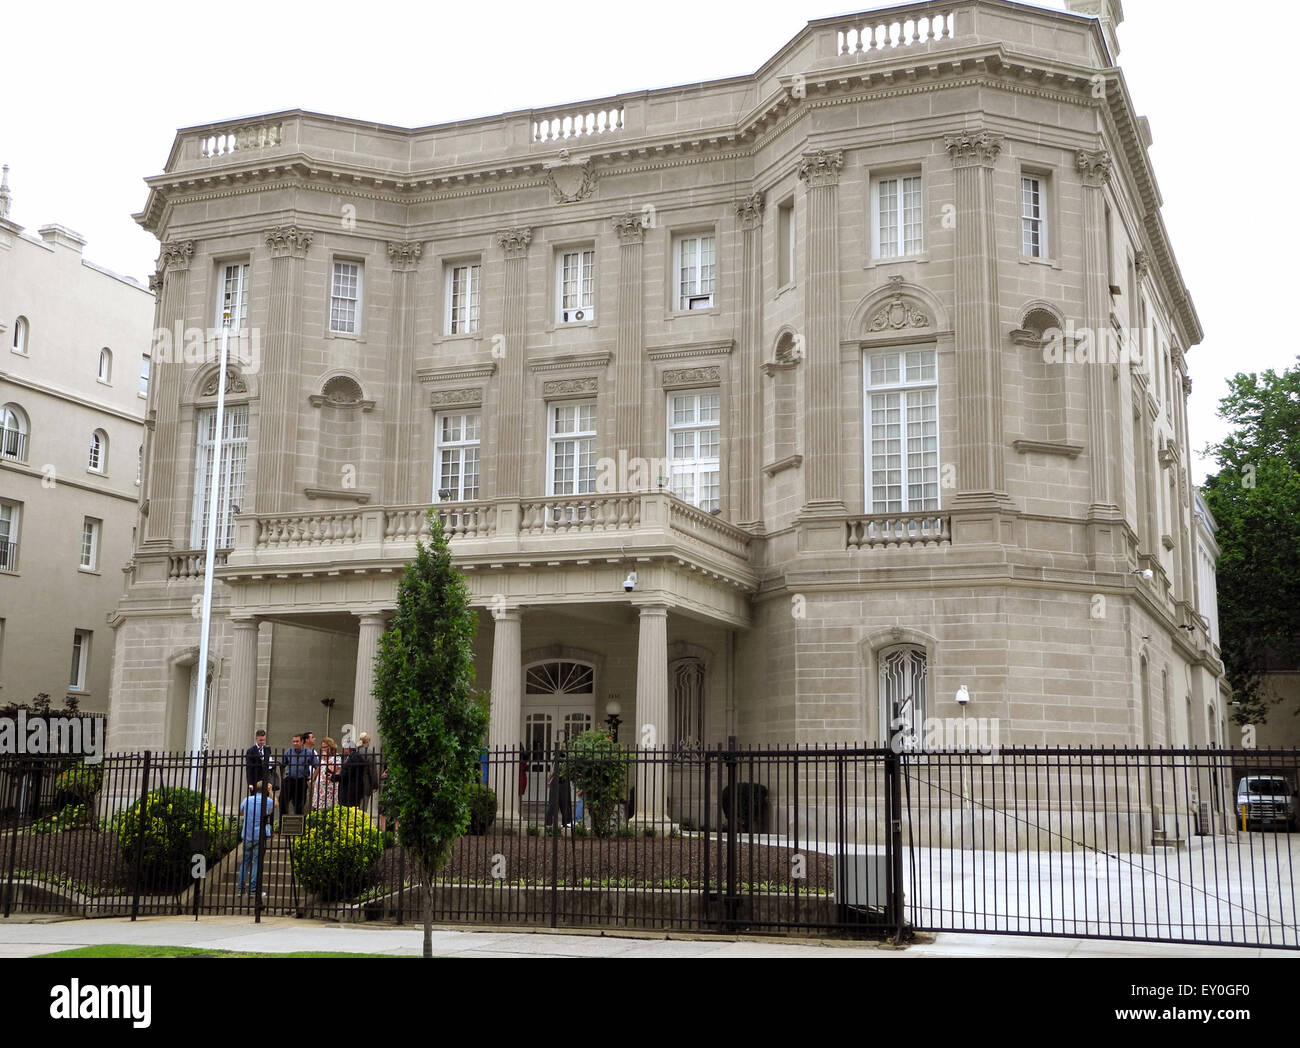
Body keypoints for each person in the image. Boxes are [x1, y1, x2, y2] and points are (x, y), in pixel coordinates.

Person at [237, 781, 275, 899]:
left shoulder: (247, 800)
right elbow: (276, 804)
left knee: (245, 862)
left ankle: (241, 889)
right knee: (257, 862)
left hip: (247, 835)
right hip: (259, 835)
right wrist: (271, 792)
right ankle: (253, 890)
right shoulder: (266, 801)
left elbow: (241, 812)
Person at [280, 734, 317, 818]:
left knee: (299, 804)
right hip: (290, 779)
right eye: (293, 741)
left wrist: (312, 779)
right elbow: (282, 765)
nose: (295, 743)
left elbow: (317, 766)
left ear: (302, 742)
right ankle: (282, 822)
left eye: (297, 741)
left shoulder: (308, 752)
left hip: (301, 780)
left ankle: (298, 824)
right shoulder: (288, 751)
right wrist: (283, 777)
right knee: (283, 800)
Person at [313, 737, 341, 811]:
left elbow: (333, 769)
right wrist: (312, 779)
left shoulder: (336, 757)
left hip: (330, 785)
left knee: (329, 807)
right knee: (319, 807)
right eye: (322, 747)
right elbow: (319, 768)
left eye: (325, 747)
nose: (323, 749)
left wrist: (326, 759)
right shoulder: (322, 757)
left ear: (331, 747)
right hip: (320, 785)